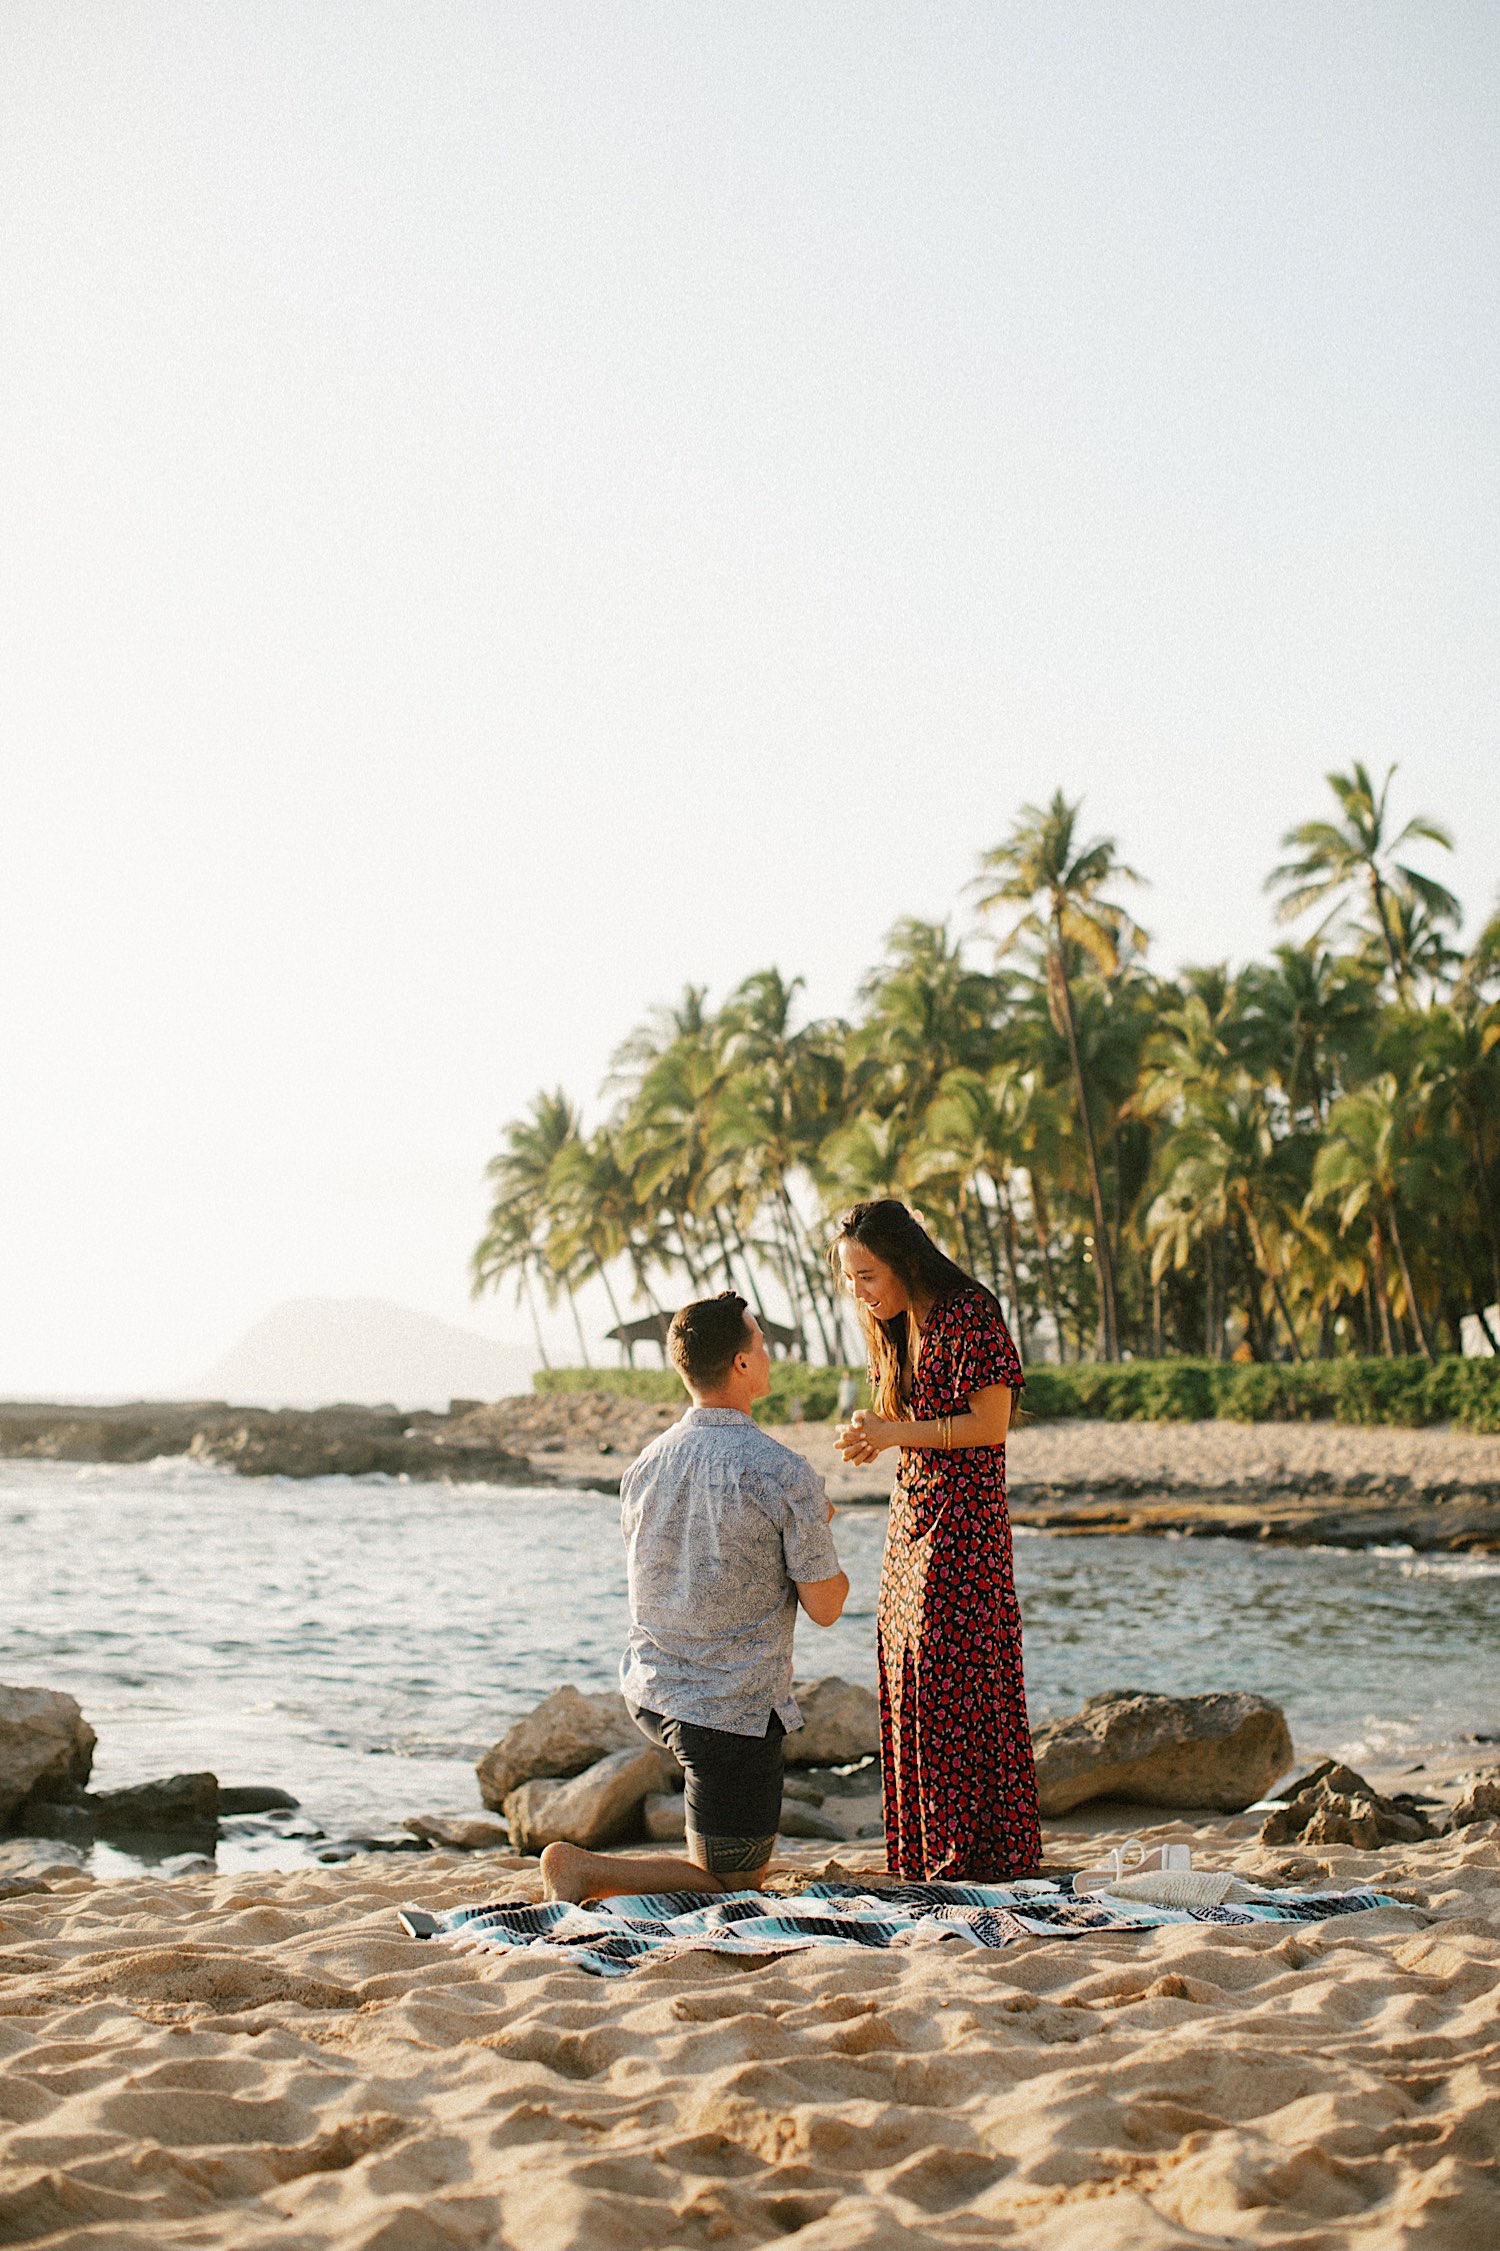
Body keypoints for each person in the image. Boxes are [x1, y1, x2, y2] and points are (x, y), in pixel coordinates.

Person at [540, 1292, 849, 1904]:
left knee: (718, 1855)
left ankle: (634, 1864)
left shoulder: (645, 1465)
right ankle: (581, 1869)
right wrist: (820, 1529)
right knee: (731, 1887)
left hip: (653, 1690)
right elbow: (826, 1606)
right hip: (729, 1709)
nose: (767, 1355)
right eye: (760, 1346)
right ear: (740, 1365)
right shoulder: (782, 1471)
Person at [832, 1200, 1040, 1882]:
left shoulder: (967, 1311)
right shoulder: (902, 1325)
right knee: (908, 1672)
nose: (858, 1290)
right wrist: (875, 1429)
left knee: (955, 1670)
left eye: (867, 1274)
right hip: (913, 1515)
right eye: (851, 1278)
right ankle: (923, 1852)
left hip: (965, 1523)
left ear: (904, 1258)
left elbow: (989, 1425)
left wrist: (894, 1434)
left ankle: (975, 1852)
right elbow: (912, 1419)